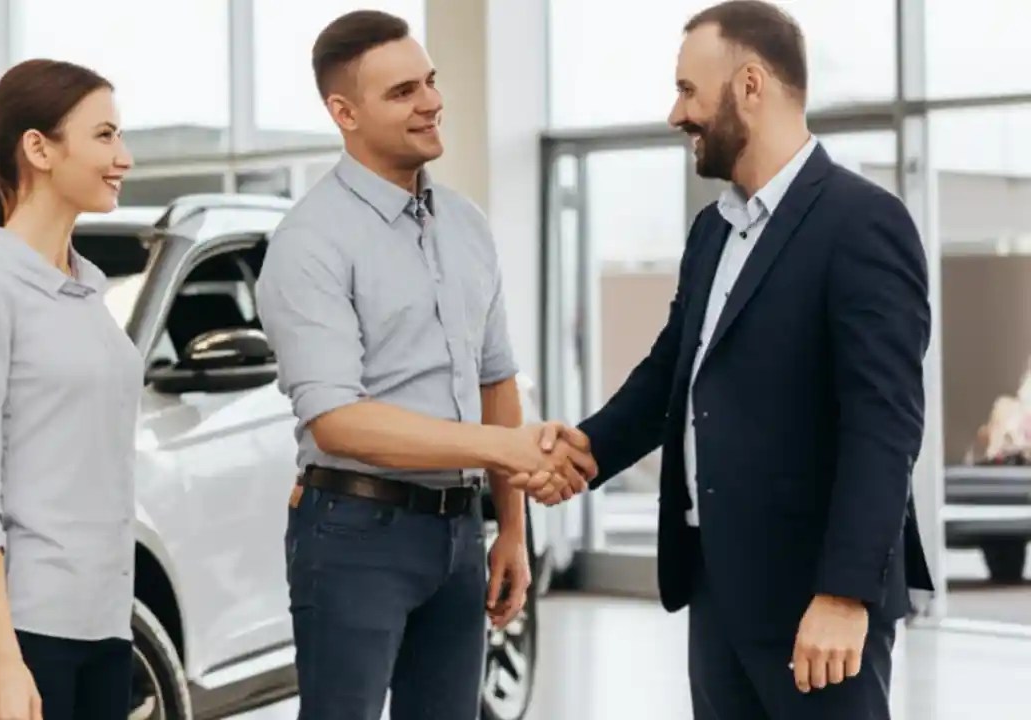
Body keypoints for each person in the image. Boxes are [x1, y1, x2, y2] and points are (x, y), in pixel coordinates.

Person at [527, 1, 935, 717]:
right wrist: (585, 449)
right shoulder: (713, 232)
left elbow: (886, 425)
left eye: (688, 90)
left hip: (816, 600)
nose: (674, 113)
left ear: (750, 85)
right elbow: (672, 375)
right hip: (718, 589)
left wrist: (845, 594)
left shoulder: (862, 222)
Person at [254, 10, 595, 720]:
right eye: (403, 91)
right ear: (343, 113)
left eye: (431, 81)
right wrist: (501, 448)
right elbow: (338, 420)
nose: (433, 101)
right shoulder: (309, 241)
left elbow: (495, 377)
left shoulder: (467, 225)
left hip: (458, 534)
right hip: (354, 531)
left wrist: (511, 529)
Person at [0, 58, 139, 720]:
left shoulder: (86, 290)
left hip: (103, 623)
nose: (124, 158)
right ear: (39, 148)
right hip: (25, 633)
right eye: (104, 136)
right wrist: (3, 660)